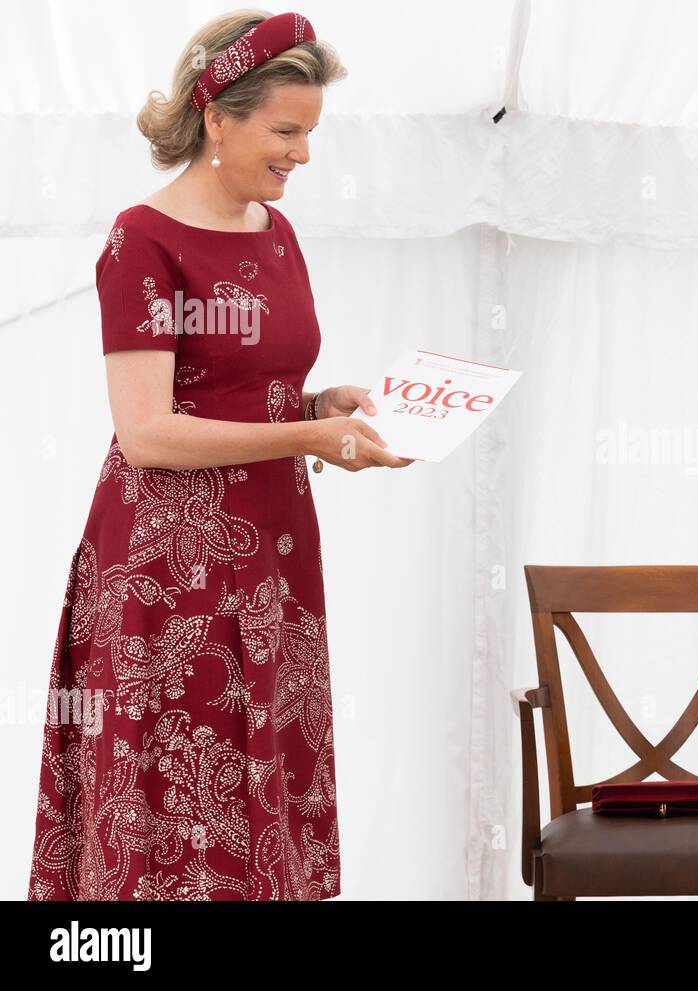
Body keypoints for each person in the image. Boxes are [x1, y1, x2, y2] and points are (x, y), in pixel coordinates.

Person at [28, 10, 411, 902]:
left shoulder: (276, 234)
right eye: (286, 132)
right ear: (218, 118)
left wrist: (321, 405)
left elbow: (252, 386)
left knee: (260, 783)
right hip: (170, 567)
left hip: (274, 553)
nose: (302, 156)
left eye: (310, 133)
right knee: (174, 803)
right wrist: (308, 437)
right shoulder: (142, 239)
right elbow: (147, 432)